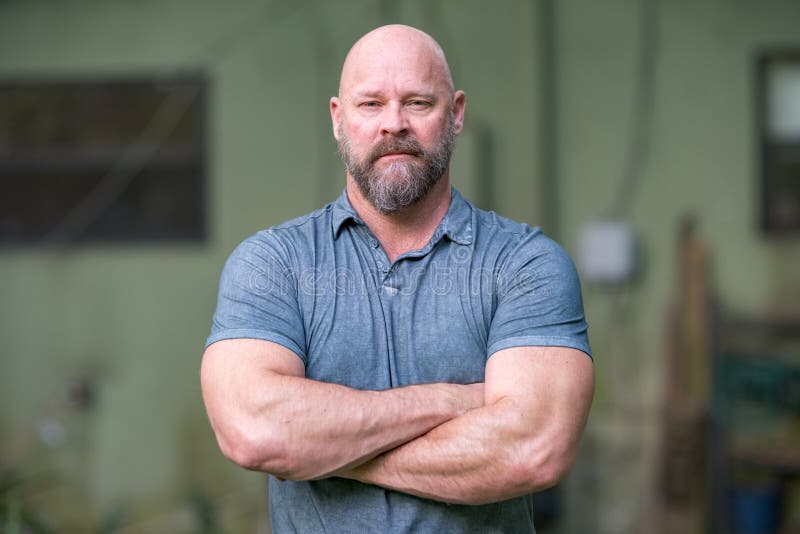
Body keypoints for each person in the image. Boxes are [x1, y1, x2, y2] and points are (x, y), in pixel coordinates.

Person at [201, 24, 594, 533]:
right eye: (370, 104)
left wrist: (322, 450)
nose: (394, 124)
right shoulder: (273, 265)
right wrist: (454, 402)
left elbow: (531, 451)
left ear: (455, 115)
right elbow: (254, 432)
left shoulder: (526, 265)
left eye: (417, 103)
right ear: (338, 120)